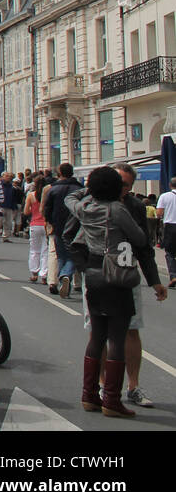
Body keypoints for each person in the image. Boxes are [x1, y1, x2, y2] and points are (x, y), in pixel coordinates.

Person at [67, 167, 168, 417]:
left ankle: (89, 394)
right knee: (117, 338)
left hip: (93, 273)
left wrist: (87, 190)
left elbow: (70, 199)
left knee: (97, 335)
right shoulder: (117, 209)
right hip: (117, 275)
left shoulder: (85, 208)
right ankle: (112, 398)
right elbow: (141, 239)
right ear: (115, 188)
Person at [42, 163, 85, 298]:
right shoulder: (79, 189)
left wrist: (50, 222)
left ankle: (63, 277)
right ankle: (65, 276)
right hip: (76, 226)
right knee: (73, 254)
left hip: (58, 226)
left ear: (59, 173)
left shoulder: (53, 189)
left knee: (60, 255)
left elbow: (47, 210)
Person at [26, 175, 48, 284]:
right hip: (46, 224)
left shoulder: (31, 196)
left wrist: (32, 209)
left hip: (34, 224)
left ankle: (34, 273)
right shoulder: (48, 194)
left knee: (34, 250)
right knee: (45, 250)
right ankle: (44, 274)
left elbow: (26, 212)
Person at [159, 177, 176, 280]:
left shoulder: (164, 196)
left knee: (169, 252)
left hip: (170, 226)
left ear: (170, 185)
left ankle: (173, 275)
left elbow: (159, 213)